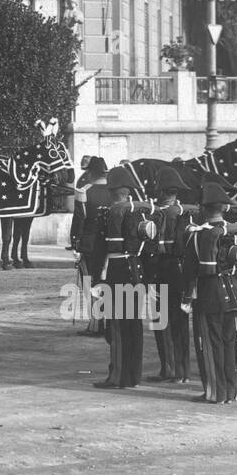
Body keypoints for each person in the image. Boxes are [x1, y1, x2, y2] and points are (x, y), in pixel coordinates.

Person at [184, 182, 237, 405]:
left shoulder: (197, 235)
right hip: (232, 291)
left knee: (211, 346)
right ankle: (231, 391)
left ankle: (215, 392)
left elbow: (190, 271)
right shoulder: (236, 233)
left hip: (209, 294)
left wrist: (186, 298)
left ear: (204, 208)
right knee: (231, 343)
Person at [94, 167, 146, 389]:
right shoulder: (141, 212)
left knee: (116, 326)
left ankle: (117, 376)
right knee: (134, 325)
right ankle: (133, 375)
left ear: (112, 190)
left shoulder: (108, 213)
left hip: (116, 270)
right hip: (137, 269)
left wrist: (97, 278)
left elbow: (98, 249)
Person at [144, 165, 189, 382]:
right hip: (180, 271)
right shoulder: (187, 213)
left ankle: (169, 369)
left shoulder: (159, 214)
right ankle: (181, 370)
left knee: (162, 321)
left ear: (161, 191)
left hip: (161, 270)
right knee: (180, 322)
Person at [76, 158, 111, 334]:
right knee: (109, 281)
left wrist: (75, 242)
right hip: (112, 245)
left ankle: (96, 324)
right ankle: (110, 323)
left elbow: (79, 221)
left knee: (91, 282)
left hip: (91, 245)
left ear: (90, 173)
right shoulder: (115, 192)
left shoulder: (84, 192)